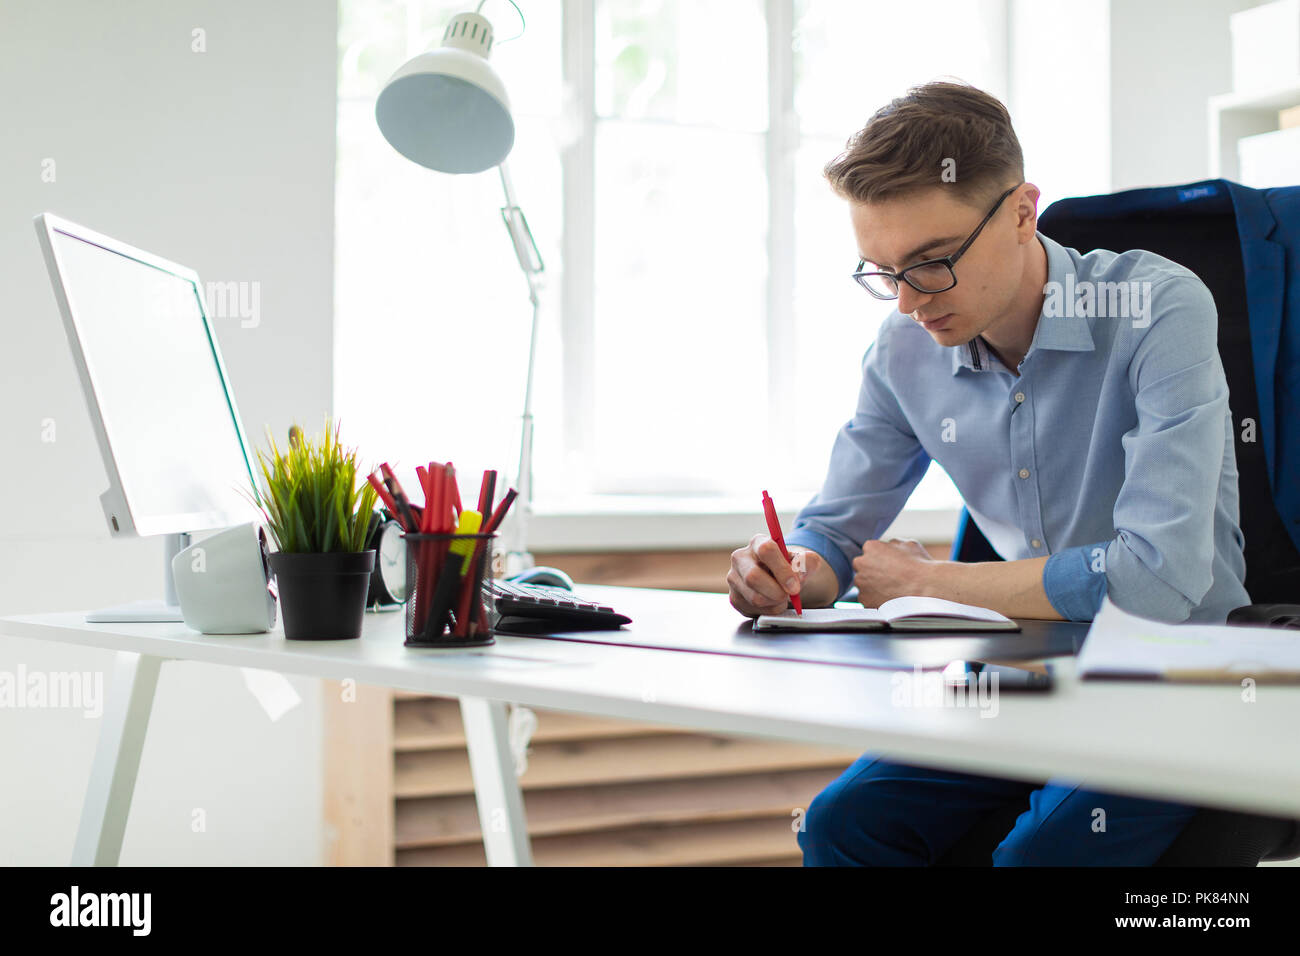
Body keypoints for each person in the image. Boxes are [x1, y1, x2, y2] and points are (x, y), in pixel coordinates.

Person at [726, 80, 1250, 866]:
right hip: (1027, 673)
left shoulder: (1159, 308)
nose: (906, 304)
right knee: (843, 824)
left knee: (1041, 853)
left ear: (1020, 212)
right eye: (883, 271)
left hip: (1178, 677)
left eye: (931, 264)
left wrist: (934, 584)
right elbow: (835, 535)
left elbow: (1155, 580)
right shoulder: (904, 351)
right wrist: (789, 571)